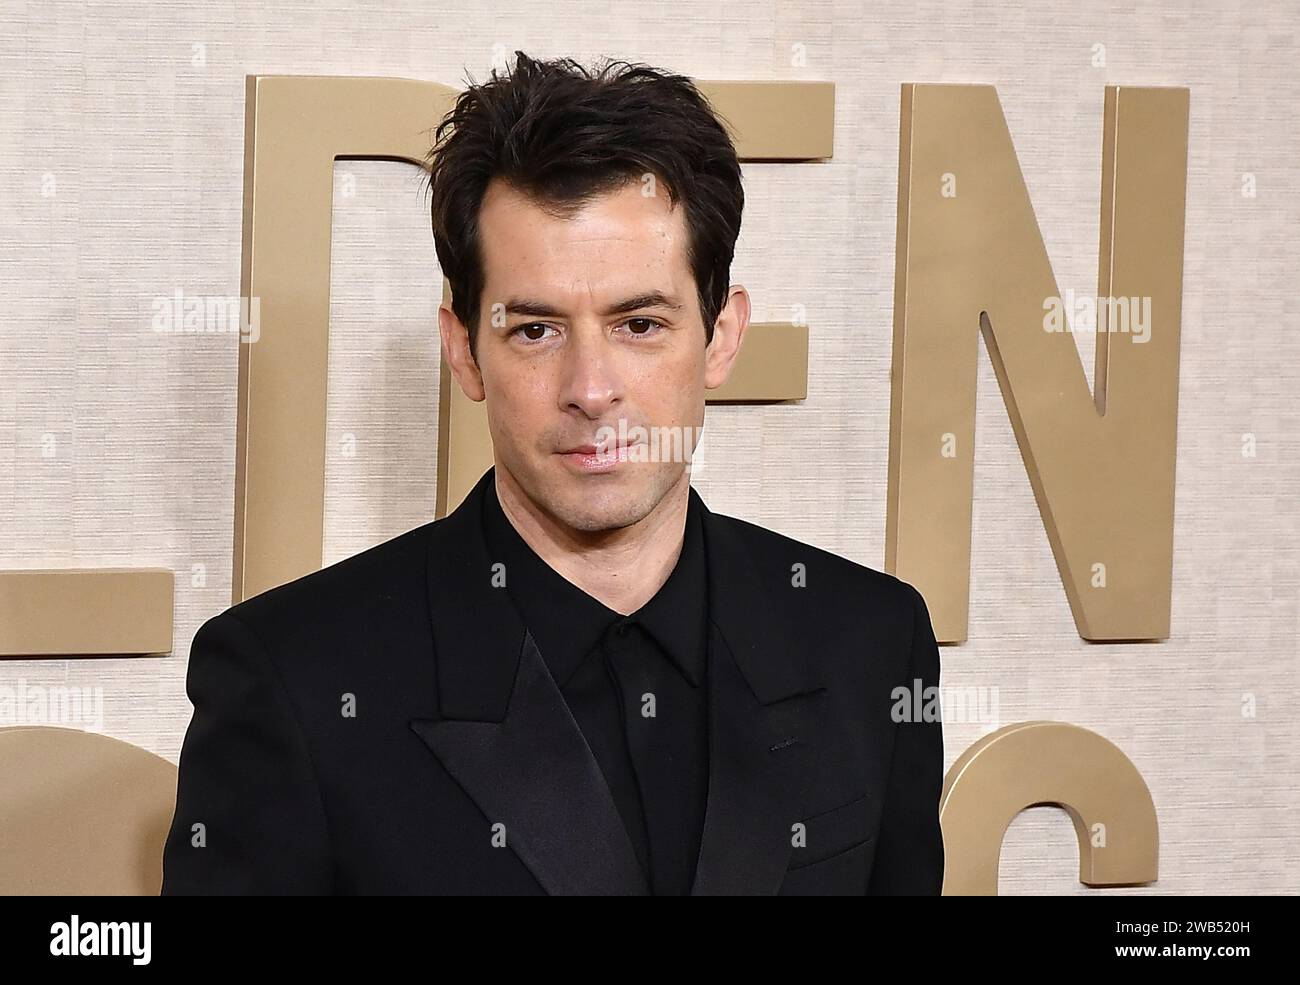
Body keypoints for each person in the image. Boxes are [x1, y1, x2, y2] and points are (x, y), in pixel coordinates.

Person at [161, 50, 944, 895]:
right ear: (465, 350)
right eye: (535, 331)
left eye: (640, 323)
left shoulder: (870, 644)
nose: (590, 390)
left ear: (720, 337)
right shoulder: (295, 683)